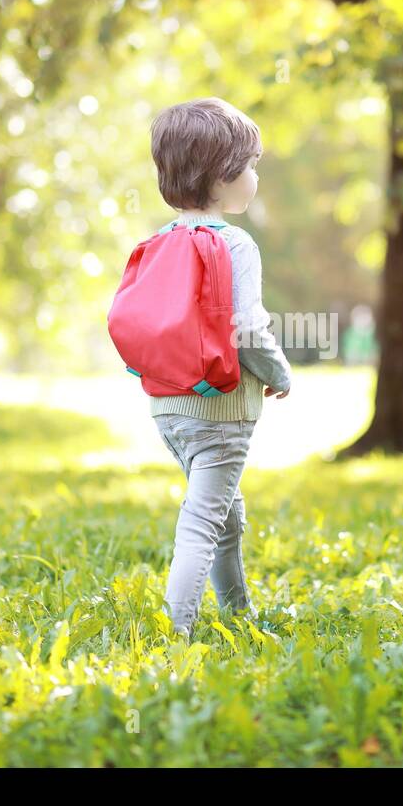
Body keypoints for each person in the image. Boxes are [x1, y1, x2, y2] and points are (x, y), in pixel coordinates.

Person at [147, 97, 293, 636]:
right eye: (251, 165)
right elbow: (248, 329)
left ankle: (238, 613)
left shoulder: (160, 242)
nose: (255, 175)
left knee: (225, 512)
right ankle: (176, 632)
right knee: (204, 521)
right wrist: (279, 374)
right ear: (224, 175)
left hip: (168, 409)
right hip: (223, 412)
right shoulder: (235, 244)